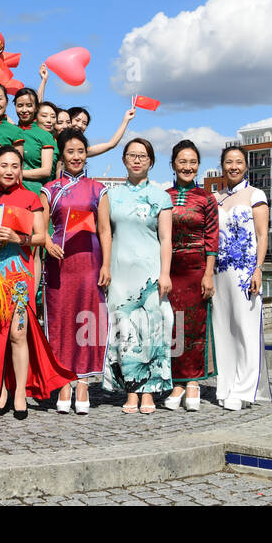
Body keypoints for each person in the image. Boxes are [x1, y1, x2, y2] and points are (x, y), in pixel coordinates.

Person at [0, 146, 71, 418]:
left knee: (18, 334)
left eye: (14, 166)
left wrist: (16, 239)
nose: (9, 171)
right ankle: (1, 391)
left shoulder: (31, 198)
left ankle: (20, 391)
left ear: (20, 169)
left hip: (19, 274)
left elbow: (42, 237)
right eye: (3, 166)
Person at [101, 137, 174, 414]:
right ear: (124, 160)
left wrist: (165, 273)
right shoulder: (110, 195)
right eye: (131, 155)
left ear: (151, 162)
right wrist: (106, 266)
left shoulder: (160, 196)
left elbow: (166, 238)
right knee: (125, 331)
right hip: (121, 271)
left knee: (151, 329)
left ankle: (150, 391)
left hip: (150, 272)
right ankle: (130, 390)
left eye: (142, 156)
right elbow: (105, 233)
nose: (137, 160)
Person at [41, 130, 107, 414]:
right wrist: (46, 242)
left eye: (81, 151)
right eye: (70, 151)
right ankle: (63, 380)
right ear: (62, 155)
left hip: (90, 264)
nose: (76, 156)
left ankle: (83, 381)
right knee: (59, 322)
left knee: (87, 321)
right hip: (59, 263)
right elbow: (40, 227)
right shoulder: (50, 189)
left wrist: (106, 264)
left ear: (86, 153)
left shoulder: (97, 188)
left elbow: (105, 229)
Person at [211, 145, 271, 411]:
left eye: (238, 162)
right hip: (218, 273)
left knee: (245, 330)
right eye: (228, 162)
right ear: (222, 166)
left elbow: (262, 236)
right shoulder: (215, 198)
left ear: (246, 165)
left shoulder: (255, 195)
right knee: (223, 330)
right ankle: (225, 384)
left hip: (245, 273)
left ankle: (245, 389)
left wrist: (258, 268)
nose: (233, 166)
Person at [163, 140, 218, 412]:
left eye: (192, 162)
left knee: (195, 327)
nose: (187, 167)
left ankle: (194, 381)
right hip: (170, 267)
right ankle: (177, 382)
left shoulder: (207, 199)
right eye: (182, 161)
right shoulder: (164, 196)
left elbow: (212, 239)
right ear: (173, 164)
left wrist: (208, 274)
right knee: (173, 326)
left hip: (196, 268)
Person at [14, 88, 57, 193]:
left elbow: (46, 171)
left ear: (36, 107)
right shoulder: (10, 131)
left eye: (29, 105)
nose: (24, 110)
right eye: (20, 105)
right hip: (9, 194)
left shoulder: (45, 136)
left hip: (35, 193)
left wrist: (15, 173)